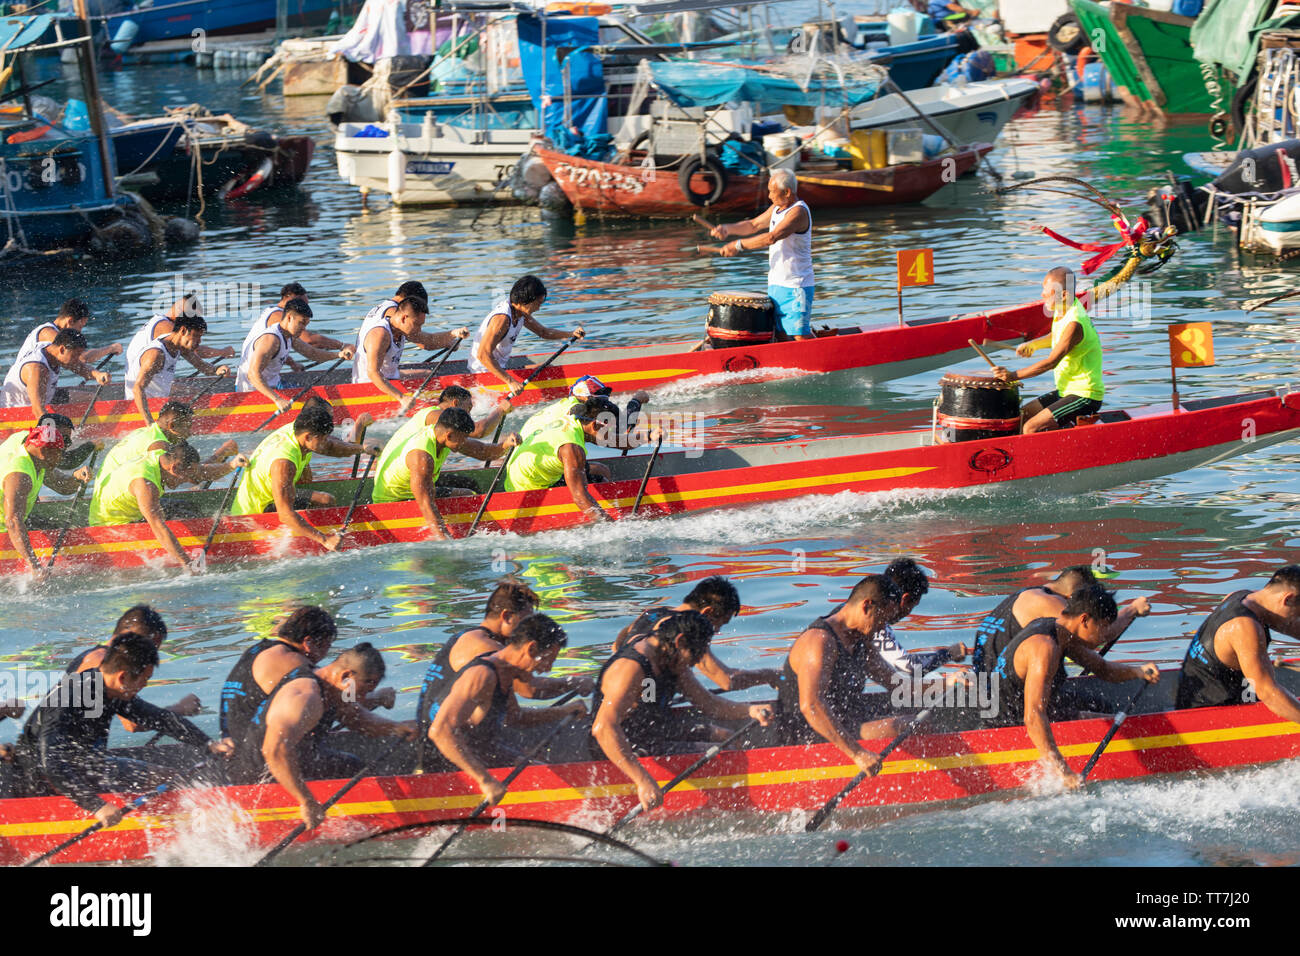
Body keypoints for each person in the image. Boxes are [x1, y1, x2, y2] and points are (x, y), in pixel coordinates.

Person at [14, 632, 232, 827]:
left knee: (171, 778)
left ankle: (178, 826)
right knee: (168, 781)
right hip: (40, 777)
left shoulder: (108, 690)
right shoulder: (70, 696)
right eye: (144, 679)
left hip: (83, 764)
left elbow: (161, 719)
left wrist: (208, 744)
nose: (144, 685)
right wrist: (97, 805)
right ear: (123, 677)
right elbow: (51, 762)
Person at [591, 609, 774, 812]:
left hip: (656, 730)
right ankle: (722, 808)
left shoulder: (671, 657)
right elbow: (603, 728)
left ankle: (726, 801)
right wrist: (642, 780)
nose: (695, 663)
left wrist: (749, 711)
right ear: (679, 642)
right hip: (627, 745)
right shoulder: (631, 668)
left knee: (726, 736)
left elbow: (708, 704)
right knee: (726, 753)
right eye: (695, 655)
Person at [982, 583, 1160, 787]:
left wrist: (1137, 671)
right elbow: (1033, 716)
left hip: (1031, 708)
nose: (1104, 636)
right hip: (1007, 726)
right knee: (1121, 725)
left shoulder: (1060, 631)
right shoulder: (1044, 648)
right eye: (1102, 627)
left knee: (1102, 705)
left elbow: (1102, 669)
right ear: (1084, 619)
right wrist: (1063, 772)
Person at [415, 582, 593, 761]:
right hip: (446, 745)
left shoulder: (468, 635)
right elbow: (529, 689)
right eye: (525, 623)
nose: (529, 631)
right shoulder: (489, 650)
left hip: (440, 733)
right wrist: (572, 684)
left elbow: (512, 715)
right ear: (507, 616)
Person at [250, 643, 415, 829]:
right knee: (354, 771)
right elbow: (274, 751)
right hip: (260, 776)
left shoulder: (335, 687)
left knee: (353, 766)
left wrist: (395, 728)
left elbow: (357, 720)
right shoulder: (306, 697)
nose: (361, 699)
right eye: (362, 692)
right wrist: (306, 801)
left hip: (303, 757)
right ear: (347, 676)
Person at [429, 614, 587, 804]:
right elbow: (440, 731)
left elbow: (515, 717)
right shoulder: (482, 675)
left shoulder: (505, 672)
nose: (547, 669)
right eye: (548, 660)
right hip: (451, 766)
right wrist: (485, 780)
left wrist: (564, 711)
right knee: (545, 778)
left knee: (541, 765)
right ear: (531, 648)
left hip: (487, 749)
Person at [775, 575, 910, 775]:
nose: (883, 628)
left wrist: (947, 684)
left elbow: (897, 686)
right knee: (906, 725)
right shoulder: (819, 641)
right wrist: (857, 754)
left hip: (847, 722)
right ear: (866, 606)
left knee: (916, 720)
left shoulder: (859, 639)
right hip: (811, 737)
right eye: (882, 620)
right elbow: (811, 705)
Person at [230, 398, 381, 551]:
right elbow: (285, 515)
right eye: (322, 439)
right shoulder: (284, 463)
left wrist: (361, 449)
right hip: (255, 515)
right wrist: (324, 539)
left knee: (308, 480)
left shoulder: (296, 430)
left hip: (270, 497)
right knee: (326, 500)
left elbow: (331, 447)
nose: (325, 443)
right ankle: (322, 540)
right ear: (308, 437)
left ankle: (312, 533)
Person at [1175, 566, 1300, 724]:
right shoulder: (1244, 628)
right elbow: (1268, 693)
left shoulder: (1241, 597)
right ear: (1287, 600)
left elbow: (1287, 624)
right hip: (1207, 719)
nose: (1297, 620)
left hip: (1193, 701)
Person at [221, 605, 339, 772]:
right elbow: (342, 704)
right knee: (355, 764)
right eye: (328, 645)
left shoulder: (258, 649)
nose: (327, 652)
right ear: (308, 642)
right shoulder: (293, 662)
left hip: (235, 747)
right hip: (259, 762)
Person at [88, 441, 239, 571]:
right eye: (186, 478)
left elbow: (199, 472)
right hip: (111, 526)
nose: (188, 481)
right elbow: (158, 528)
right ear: (175, 468)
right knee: (186, 516)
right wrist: (187, 565)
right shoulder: (146, 485)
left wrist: (232, 465)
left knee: (188, 507)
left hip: (133, 508)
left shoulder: (161, 455)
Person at [371, 406, 518, 539]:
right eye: (464, 437)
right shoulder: (421, 457)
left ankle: (470, 533)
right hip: (393, 503)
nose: (465, 441)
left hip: (413, 492)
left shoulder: (443, 436)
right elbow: (426, 504)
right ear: (449, 435)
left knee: (468, 493)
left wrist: (506, 445)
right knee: (463, 499)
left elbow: (483, 452)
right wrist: (447, 542)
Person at [972, 565, 1151, 673]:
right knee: (1101, 705)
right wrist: (1132, 610)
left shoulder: (1031, 593)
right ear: (1073, 595)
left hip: (989, 687)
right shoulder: (1051, 605)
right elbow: (1094, 639)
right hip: (1001, 700)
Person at [614, 576, 781, 691]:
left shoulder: (650, 614)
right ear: (707, 612)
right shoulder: (689, 630)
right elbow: (727, 680)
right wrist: (770, 675)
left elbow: (617, 646)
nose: (716, 632)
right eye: (719, 624)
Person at [992, 267, 1105, 433]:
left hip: (1085, 395)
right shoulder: (1063, 310)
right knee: (1022, 415)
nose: (1042, 294)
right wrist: (1033, 345)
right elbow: (1057, 335)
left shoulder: (1075, 323)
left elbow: (1051, 362)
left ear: (1064, 294)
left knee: (1030, 428)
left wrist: (1013, 376)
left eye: (1046, 291)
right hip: (1066, 390)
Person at [710, 168, 815, 342]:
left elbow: (771, 237)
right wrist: (728, 229)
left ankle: (824, 363)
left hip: (797, 285)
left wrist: (738, 245)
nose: (769, 196)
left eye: (772, 192)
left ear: (787, 192)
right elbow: (753, 225)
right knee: (780, 335)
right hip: (776, 284)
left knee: (799, 335)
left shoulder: (798, 212)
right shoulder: (777, 207)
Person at [68, 606, 202, 728]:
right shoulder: (100, 662)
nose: (149, 658)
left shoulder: (101, 656)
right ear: (127, 637)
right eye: (147, 649)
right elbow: (133, 724)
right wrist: (179, 709)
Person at [502, 394, 625, 521]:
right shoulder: (571, 448)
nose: (612, 436)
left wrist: (643, 438)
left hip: (516, 474)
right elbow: (580, 498)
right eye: (611, 431)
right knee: (598, 480)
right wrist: (613, 526)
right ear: (595, 425)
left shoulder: (572, 413)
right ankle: (614, 510)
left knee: (601, 470)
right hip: (526, 493)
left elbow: (614, 440)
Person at [352, 283, 469, 413]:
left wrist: (452, 336)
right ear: (403, 317)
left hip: (390, 376)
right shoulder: (380, 334)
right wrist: (401, 397)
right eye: (417, 324)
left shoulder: (399, 327)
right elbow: (373, 373)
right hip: (369, 386)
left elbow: (428, 341)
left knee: (430, 375)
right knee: (435, 382)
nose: (419, 330)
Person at [0, 424, 93, 582]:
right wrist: (35, 566)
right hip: (6, 529)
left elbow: (61, 486)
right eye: (60, 454)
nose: (60, 459)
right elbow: (13, 522)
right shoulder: (19, 475)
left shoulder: (37, 460)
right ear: (45, 451)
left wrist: (77, 477)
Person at [468, 275, 585, 394]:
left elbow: (543, 332)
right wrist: (511, 382)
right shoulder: (502, 320)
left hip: (499, 368)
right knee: (542, 372)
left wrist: (571, 334)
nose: (539, 308)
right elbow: (483, 355)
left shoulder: (519, 312)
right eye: (538, 303)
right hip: (483, 373)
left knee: (544, 368)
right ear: (525, 301)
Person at [235, 297, 354, 411]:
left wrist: (338, 355)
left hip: (274, 385)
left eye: (306, 324)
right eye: (301, 323)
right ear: (289, 318)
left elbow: (312, 353)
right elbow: (252, 375)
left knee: (311, 395)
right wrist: (277, 400)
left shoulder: (289, 336)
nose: (303, 328)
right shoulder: (270, 340)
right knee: (317, 403)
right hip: (252, 394)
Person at [95, 400, 242, 489]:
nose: (190, 433)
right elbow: (193, 475)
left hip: (109, 489)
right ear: (172, 425)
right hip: (117, 498)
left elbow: (188, 469)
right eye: (187, 427)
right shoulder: (158, 446)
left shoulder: (146, 431)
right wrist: (224, 456)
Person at [124, 312, 230, 424]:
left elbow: (203, 367)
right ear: (183, 331)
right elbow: (137, 389)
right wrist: (150, 424)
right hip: (138, 409)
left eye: (201, 337)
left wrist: (217, 369)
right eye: (197, 336)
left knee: (196, 392)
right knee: (196, 396)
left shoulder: (179, 345)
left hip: (160, 400)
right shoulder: (156, 354)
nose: (199, 342)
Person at [0, 328, 110, 417]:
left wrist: (97, 375)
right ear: (62, 349)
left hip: (49, 395)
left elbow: (79, 367)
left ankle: (92, 431)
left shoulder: (52, 349)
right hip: (19, 411)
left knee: (91, 398)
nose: (77, 359)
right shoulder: (37, 369)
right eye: (75, 355)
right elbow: (38, 411)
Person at [16, 298, 121, 366]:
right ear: (70, 320)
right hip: (26, 394)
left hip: (45, 386)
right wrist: (111, 348)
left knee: (90, 396)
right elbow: (83, 357)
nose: (80, 331)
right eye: (80, 326)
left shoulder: (57, 332)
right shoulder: (48, 333)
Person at [249, 282, 348, 353]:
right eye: (301, 304)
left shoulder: (271, 312)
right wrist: (342, 346)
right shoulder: (278, 315)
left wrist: (292, 363)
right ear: (288, 297)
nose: (304, 308)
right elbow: (309, 340)